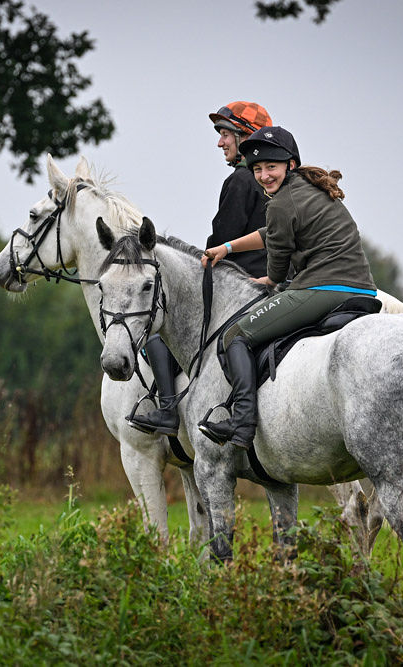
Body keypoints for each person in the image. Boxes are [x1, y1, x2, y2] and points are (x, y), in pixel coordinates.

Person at [198, 126, 378, 449]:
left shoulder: (282, 203)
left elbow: (277, 270)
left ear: (289, 165)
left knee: (233, 336)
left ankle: (242, 423)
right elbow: (272, 232)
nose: (264, 175)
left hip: (324, 289)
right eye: (257, 169)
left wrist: (270, 280)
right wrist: (227, 247)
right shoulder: (309, 189)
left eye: (271, 167)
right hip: (362, 289)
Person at [127, 101, 273, 437]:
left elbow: (222, 241)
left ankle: (166, 410)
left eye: (225, 134)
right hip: (271, 280)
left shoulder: (239, 181)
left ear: (246, 137)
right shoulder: (272, 183)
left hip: (237, 284)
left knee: (157, 327)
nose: (220, 142)